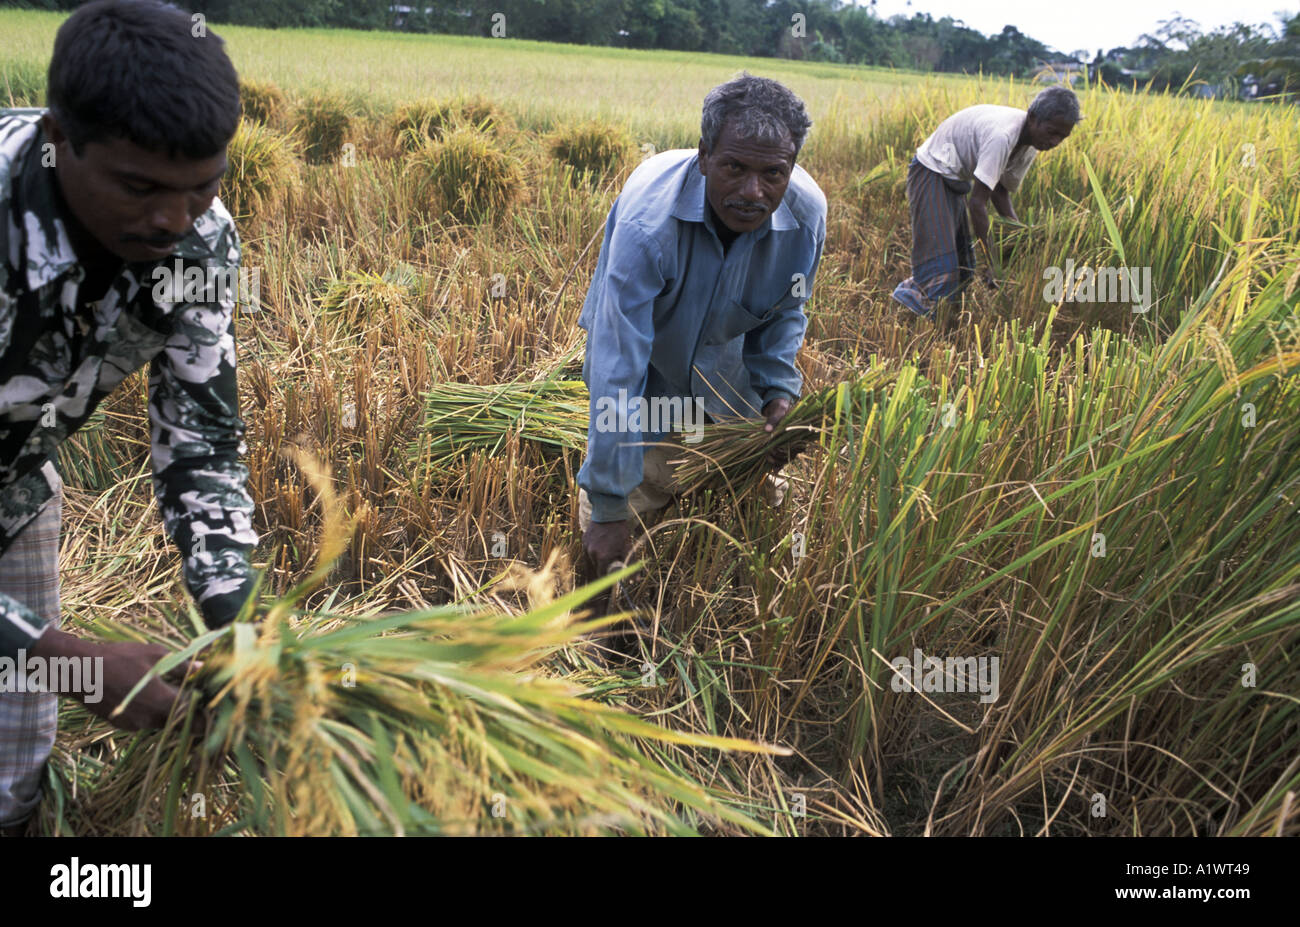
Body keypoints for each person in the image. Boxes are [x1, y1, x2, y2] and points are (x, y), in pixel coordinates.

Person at [0, 0, 257, 835]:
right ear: (59, 139)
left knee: (11, 758)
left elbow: (203, 443)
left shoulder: (200, 244)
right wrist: (59, 659)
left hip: (13, 486)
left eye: (203, 184)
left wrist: (236, 623)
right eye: (141, 187)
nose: (174, 220)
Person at [577, 73, 827, 578]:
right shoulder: (649, 226)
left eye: (773, 174)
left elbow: (785, 311)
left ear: (792, 166)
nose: (753, 192)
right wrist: (607, 507)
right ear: (704, 155)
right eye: (734, 167)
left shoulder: (806, 219)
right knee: (615, 531)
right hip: (649, 365)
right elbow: (617, 361)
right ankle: (594, 635)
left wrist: (778, 388)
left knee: (750, 507)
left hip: (723, 363)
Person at [892, 86, 1082, 320]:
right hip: (931, 171)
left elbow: (1000, 192)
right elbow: (977, 204)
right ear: (1032, 117)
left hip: (954, 178)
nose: (1055, 141)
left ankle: (933, 315)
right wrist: (995, 262)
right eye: (1052, 132)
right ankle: (910, 307)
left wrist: (1020, 234)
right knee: (941, 271)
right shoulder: (1002, 136)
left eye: (1062, 137)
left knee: (963, 269)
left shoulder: (1031, 145)